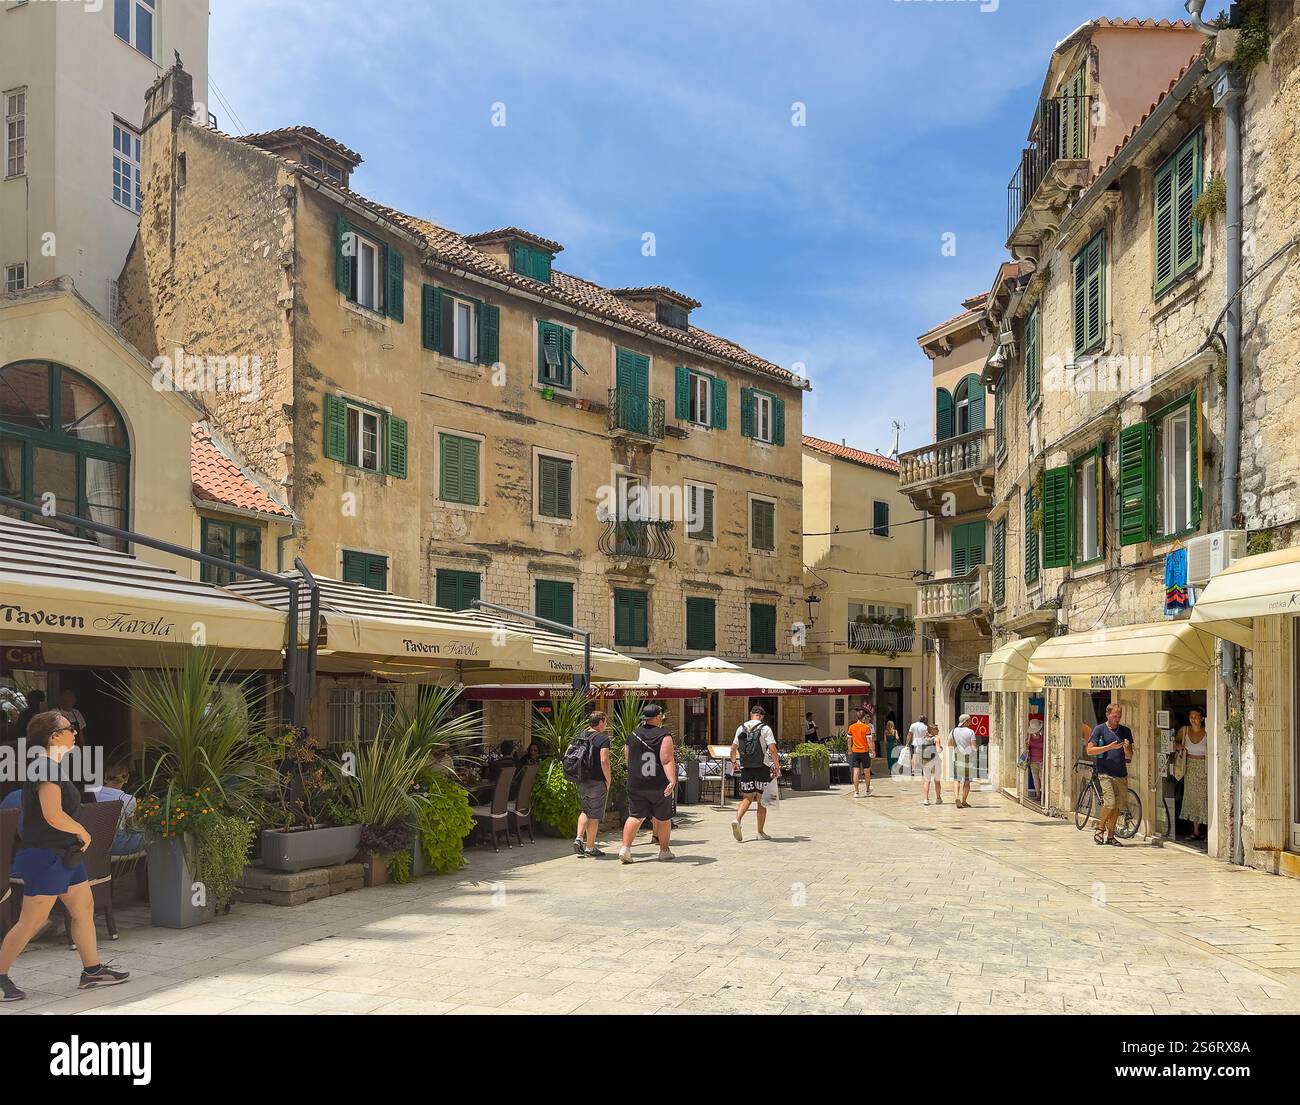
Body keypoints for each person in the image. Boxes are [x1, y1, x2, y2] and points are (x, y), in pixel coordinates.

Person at [0, 711, 130, 1002]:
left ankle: (92, 971)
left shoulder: (51, 766)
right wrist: (82, 831)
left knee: (83, 908)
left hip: (63, 855)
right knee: (32, 920)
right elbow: (53, 814)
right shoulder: (44, 768)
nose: (75, 732)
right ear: (53, 736)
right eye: (69, 728)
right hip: (45, 856)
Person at [619, 704, 676, 863]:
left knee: (636, 816)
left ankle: (625, 848)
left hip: (636, 783)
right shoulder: (664, 736)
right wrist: (672, 780)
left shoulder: (632, 735)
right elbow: (667, 760)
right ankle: (664, 851)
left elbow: (627, 757)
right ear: (658, 717)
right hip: (658, 784)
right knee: (663, 818)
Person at [730, 704, 780, 841]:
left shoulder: (741, 728)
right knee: (761, 801)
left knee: (747, 798)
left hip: (745, 767)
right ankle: (760, 832)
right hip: (761, 767)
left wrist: (734, 763)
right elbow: (773, 750)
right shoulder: (765, 728)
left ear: (751, 714)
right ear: (762, 716)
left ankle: (737, 820)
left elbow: (733, 748)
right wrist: (777, 767)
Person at [1086, 703, 1133, 846]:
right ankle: (1100, 829)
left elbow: (1130, 756)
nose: (1117, 718)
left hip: (1121, 773)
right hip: (1105, 772)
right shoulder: (1099, 729)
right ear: (1108, 715)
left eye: (1119, 716)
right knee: (1110, 803)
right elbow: (1090, 751)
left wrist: (1126, 748)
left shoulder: (1125, 731)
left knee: (1117, 806)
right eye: (1114, 715)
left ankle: (1111, 836)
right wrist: (1109, 747)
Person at [573, 711, 612, 858]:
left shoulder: (579, 736)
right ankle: (590, 847)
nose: (606, 724)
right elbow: (604, 761)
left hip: (581, 778)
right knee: (594, 815)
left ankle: (579, 837)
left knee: (585, 809)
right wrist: (608, 779)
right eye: (606, 721)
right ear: (601, 722)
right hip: (597, 780)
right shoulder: (603, 739)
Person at [94, 762, 143, 857]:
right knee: (151, 835)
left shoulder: (92, 794)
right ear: (126, 779)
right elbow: (131, 826)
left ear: (105, 777)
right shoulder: (128, 799)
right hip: (117, 845)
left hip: (95, 843)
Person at [1175, 707, 1208, 840]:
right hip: (1189, 767)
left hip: (1205, 768)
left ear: (1202, 718)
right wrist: (1178, 746)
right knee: (1192, 800)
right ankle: (1196, 831)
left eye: (1196, 716)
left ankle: (1208, 832)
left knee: (1205, 800)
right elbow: (1174, 741)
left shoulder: (1207, 731)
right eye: (1191, 717)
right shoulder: (1184, 730)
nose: (1193, 719)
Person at [950, 714, 978, 809]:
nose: (970, 722)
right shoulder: (970, 732)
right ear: (965, 721)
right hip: (967, 758)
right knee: (966, 781)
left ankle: (957, 797)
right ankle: (964, 801)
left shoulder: (953, 731)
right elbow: (973, 747)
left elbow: (949, 743)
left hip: (956, 758)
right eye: (969, 720)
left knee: (956, 779)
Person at [846, 709, 873, 797]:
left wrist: (849, 750)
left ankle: (856, 792)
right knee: (867, 771)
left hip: (855, 752)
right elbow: (869, 740)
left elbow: (849, 740)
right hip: (864, 752)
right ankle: (868, 790)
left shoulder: (851, 727)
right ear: (864, 717)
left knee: (856, 771)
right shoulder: (866, 727)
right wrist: (872, 750)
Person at [920, 722, 943, 806]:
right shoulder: (936, 738)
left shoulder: (923, 738)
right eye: (937, 729)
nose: (938, 730)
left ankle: (926, 799)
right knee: (937, 780)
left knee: (927, 781)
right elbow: (938, 750)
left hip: (925, 761)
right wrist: (941, 748)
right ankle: (938, 798)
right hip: (934, 761)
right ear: (933, 730)